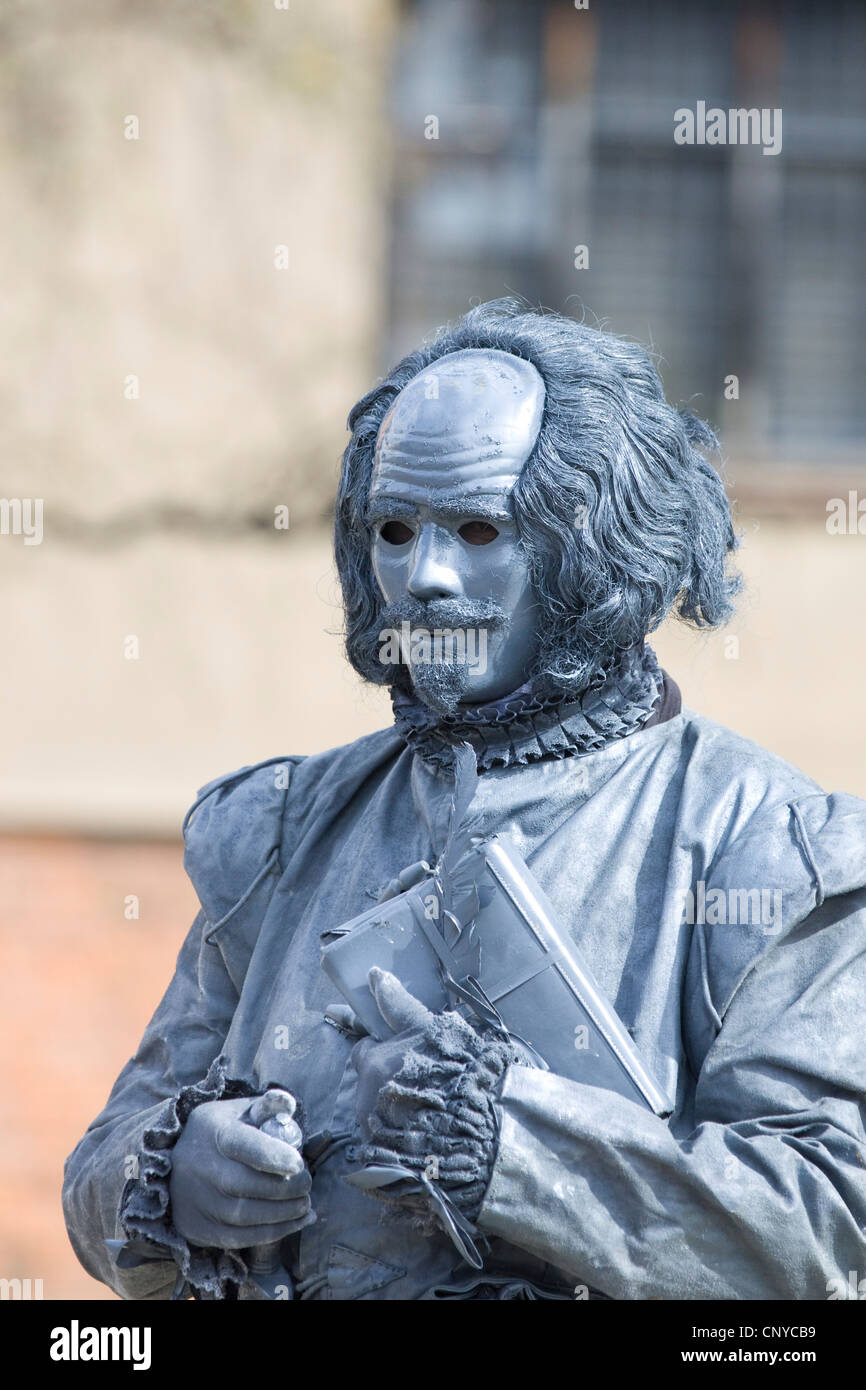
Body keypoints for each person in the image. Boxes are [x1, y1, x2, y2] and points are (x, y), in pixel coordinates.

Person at [63, 299, 866, 1300]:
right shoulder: (281, 830)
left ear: (589, 546)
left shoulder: (764, 846)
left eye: (478, 527)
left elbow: (822, 1227)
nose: (424, 577)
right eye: (393, 529)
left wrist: (508, 1143)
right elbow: (103, 1165)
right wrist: (178, 1178)